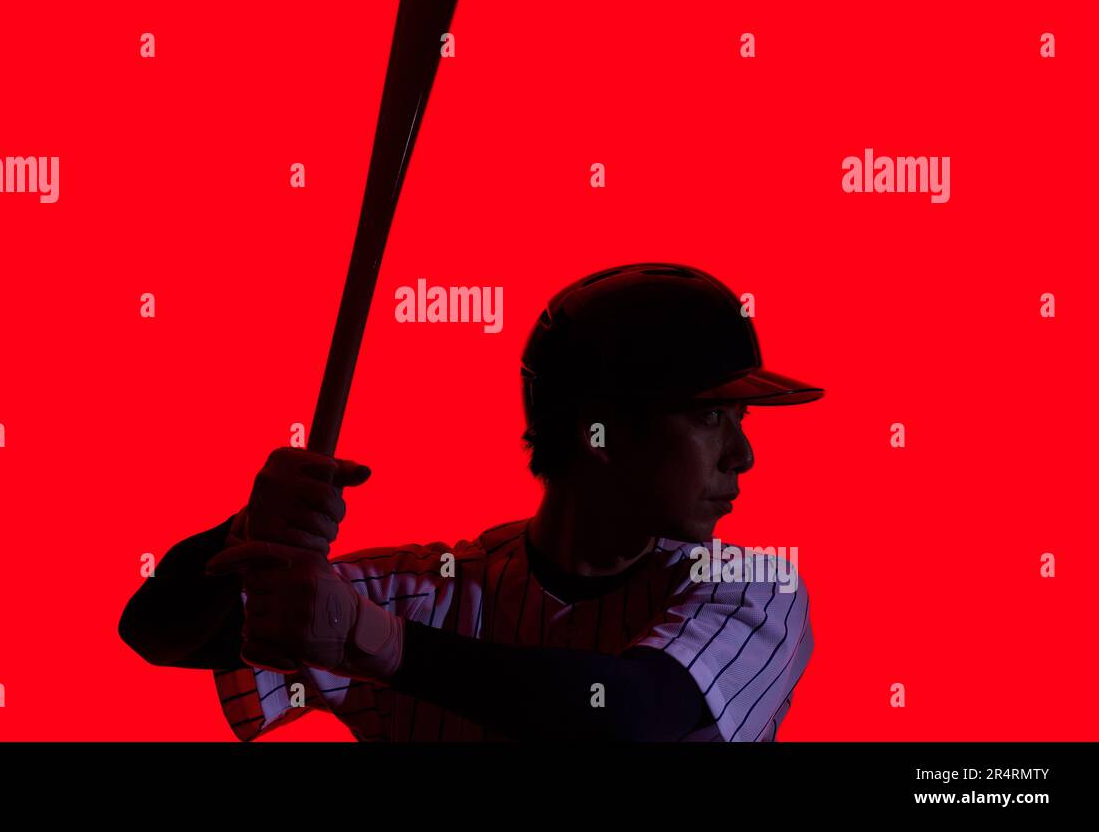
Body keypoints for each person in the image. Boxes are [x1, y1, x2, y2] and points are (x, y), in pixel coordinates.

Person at [118, 263, 824, 741]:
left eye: (742, 421)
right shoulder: (426, 590)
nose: (743, 455)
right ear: (599, 435)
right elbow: (158, 630)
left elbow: (632, 714)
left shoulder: (755, 591)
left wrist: (380, 646)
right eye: (711, 418)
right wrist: (245, 534)